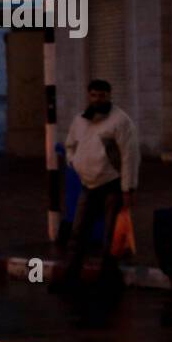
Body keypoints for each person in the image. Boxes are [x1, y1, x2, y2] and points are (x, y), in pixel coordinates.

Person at [55, 79, 140, 292]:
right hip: (87, 185)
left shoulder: (120, 122)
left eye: (102, 95)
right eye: (93, 95)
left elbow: (130, 157)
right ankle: (71, 277)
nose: (97, 99)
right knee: (78, 232)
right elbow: (69, 145)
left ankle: (108, 277)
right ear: (88, 96)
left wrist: (128, 188)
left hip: (111, 185)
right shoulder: (80, 121)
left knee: (110, 236)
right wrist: (74, 162)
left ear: (109, 96)